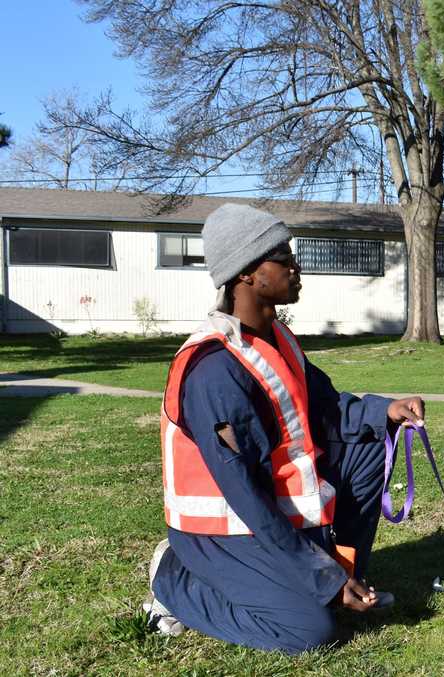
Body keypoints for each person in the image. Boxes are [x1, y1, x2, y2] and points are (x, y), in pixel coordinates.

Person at [142, 203, 426, 654]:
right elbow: (246, 497)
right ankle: (173, 578)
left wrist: (385, 411)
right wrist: (317, 578)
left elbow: (327, 407)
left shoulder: (278, 339)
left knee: (372, 440)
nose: (296, 269)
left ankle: (347, 574)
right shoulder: (215, 370)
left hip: (269, 516)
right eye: (284, 259)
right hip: (222, 533)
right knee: (308, 632)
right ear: (248, 274)